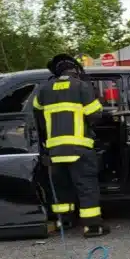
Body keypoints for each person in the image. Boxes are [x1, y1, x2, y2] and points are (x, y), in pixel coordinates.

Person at [33, 54, 109, 237]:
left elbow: (37, 117)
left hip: (55, 151)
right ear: (74, 71)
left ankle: (63, 222)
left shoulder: (43, 90)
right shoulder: (81, 86)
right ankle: (92, 227)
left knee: (62, 188)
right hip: (79, 148)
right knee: (86, 187)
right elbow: (94, 115)